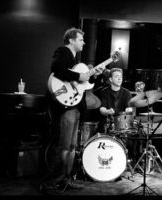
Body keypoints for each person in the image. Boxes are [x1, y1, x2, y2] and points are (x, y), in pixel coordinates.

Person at [40, 27, 103, 194]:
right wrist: (78, 77)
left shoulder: (76, 59)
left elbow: (83, 82)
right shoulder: (62, 51)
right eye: (81, 39)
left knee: (72, 146)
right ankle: (49, 182)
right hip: (64, 106)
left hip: (74, 106)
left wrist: (94, 74)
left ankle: (65, 179)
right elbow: (57, 69)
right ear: (71, 40)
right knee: (64, 146)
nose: (83, 42)